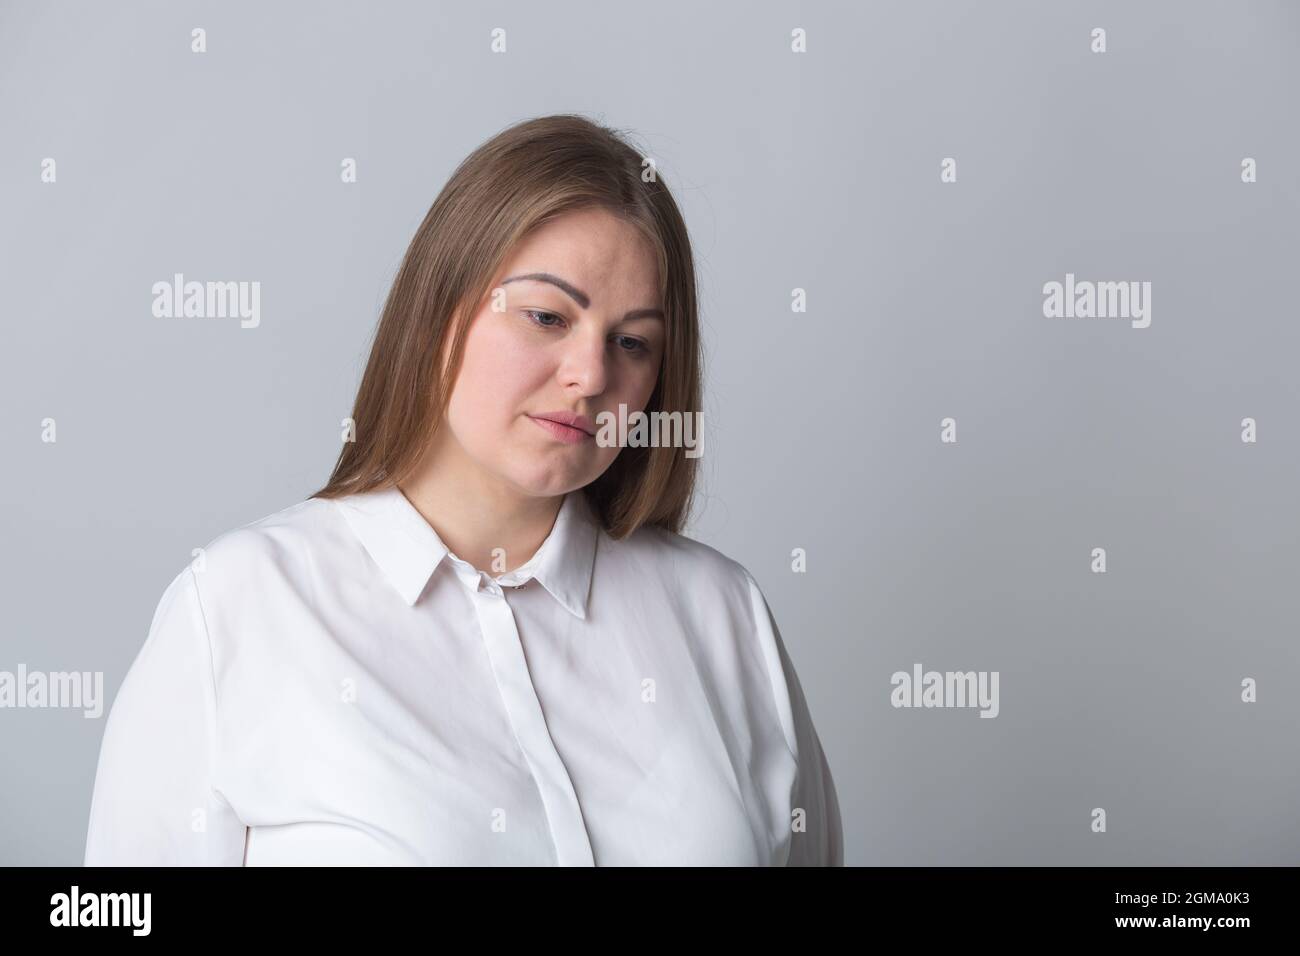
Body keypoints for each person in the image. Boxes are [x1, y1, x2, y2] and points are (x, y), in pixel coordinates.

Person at [83, 114, 843, 866]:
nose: (591, 375)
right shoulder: (238, 609)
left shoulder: (722, 616)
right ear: (438, 312)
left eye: (632, 342)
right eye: (547, 316)